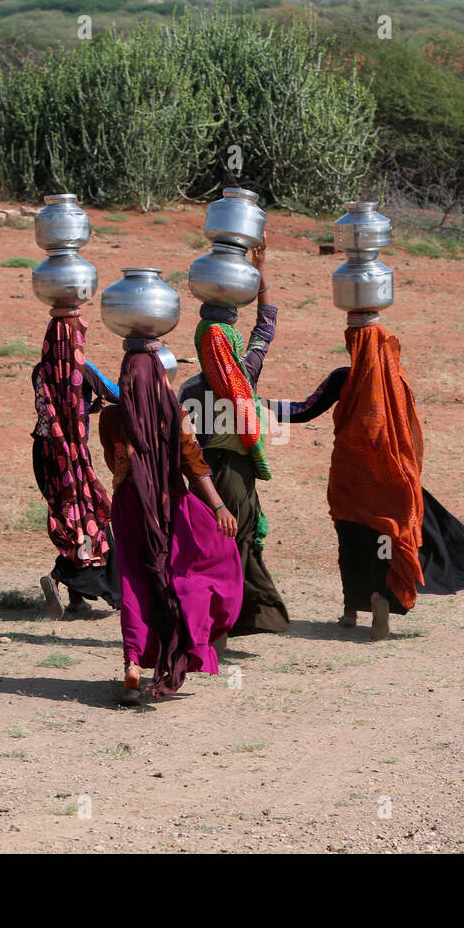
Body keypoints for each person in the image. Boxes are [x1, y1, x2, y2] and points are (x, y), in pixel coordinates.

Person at [262, 315, 464, 640]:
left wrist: (258, 403)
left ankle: (349, 610)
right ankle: (380, 598)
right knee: (384, 541)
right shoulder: (395, 379)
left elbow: (303, 411)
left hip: (350, 478)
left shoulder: (345, 378)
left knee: (351, 540)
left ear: (354, 343)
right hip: (391, 480)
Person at [100, 339, 241, 703]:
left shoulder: (112, 417)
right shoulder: (173, 415)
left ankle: (133, 663)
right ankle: (186, 644)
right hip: (168, 507)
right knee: (183, 575)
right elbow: (194, 466)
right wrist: (219, 507)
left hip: (129, 508)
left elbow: (113, 463)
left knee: (134, 582)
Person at [178, 244, 290, 636]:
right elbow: (265, 328)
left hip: (209, 475)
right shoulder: (245, 373)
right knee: (235, 542)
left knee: (220, 545)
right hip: (235, 474)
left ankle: (225, 620)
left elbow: (185, 445)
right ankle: (244, 618)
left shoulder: (191, 389)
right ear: (232, 344)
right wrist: (261, 276)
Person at [31, 307, 120, 620]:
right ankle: (60, 578)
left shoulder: (40, 369)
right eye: (80, 331)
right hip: (72, 456)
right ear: (73, 338)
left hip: (45, 453)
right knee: (90, 518)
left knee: (71, 518)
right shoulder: (84, 369)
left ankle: (77, 600)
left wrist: (86, 406)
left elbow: (62, 403)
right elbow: (119, 395)